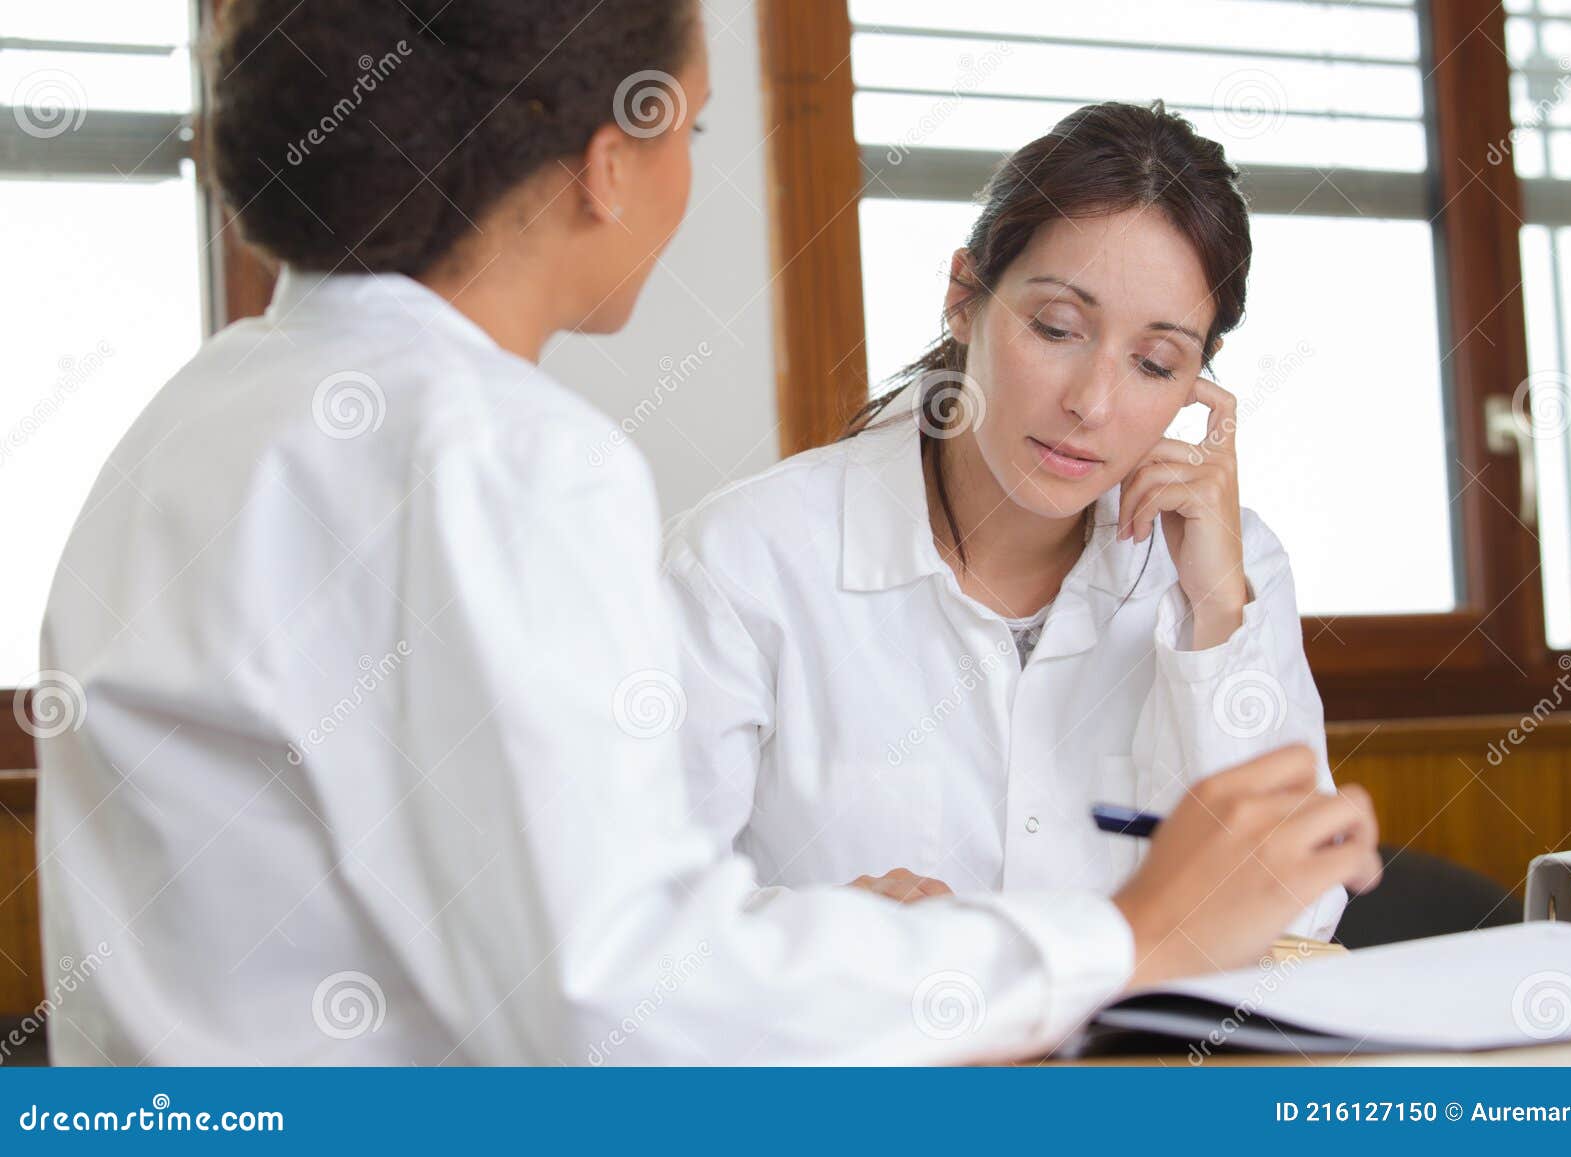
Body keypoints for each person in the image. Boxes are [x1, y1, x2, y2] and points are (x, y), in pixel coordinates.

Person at [35, 2, 1380, 1064]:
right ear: (613, 163)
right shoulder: (506, 459)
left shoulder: (203, 411)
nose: (1094, 398)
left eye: (1157, 359)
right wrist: (1115, 939)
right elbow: (624, 1006)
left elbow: (555, 943)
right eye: (695, 127)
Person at [664, 102, 1344, 938]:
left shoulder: (1231, 571)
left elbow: (1299, 915)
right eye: (1056, 327)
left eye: (1154, 363)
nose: (1091, 402)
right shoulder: (747, 561)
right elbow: (642, 916)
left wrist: (1216, 623)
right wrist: (829, 935)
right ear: (964, 297)